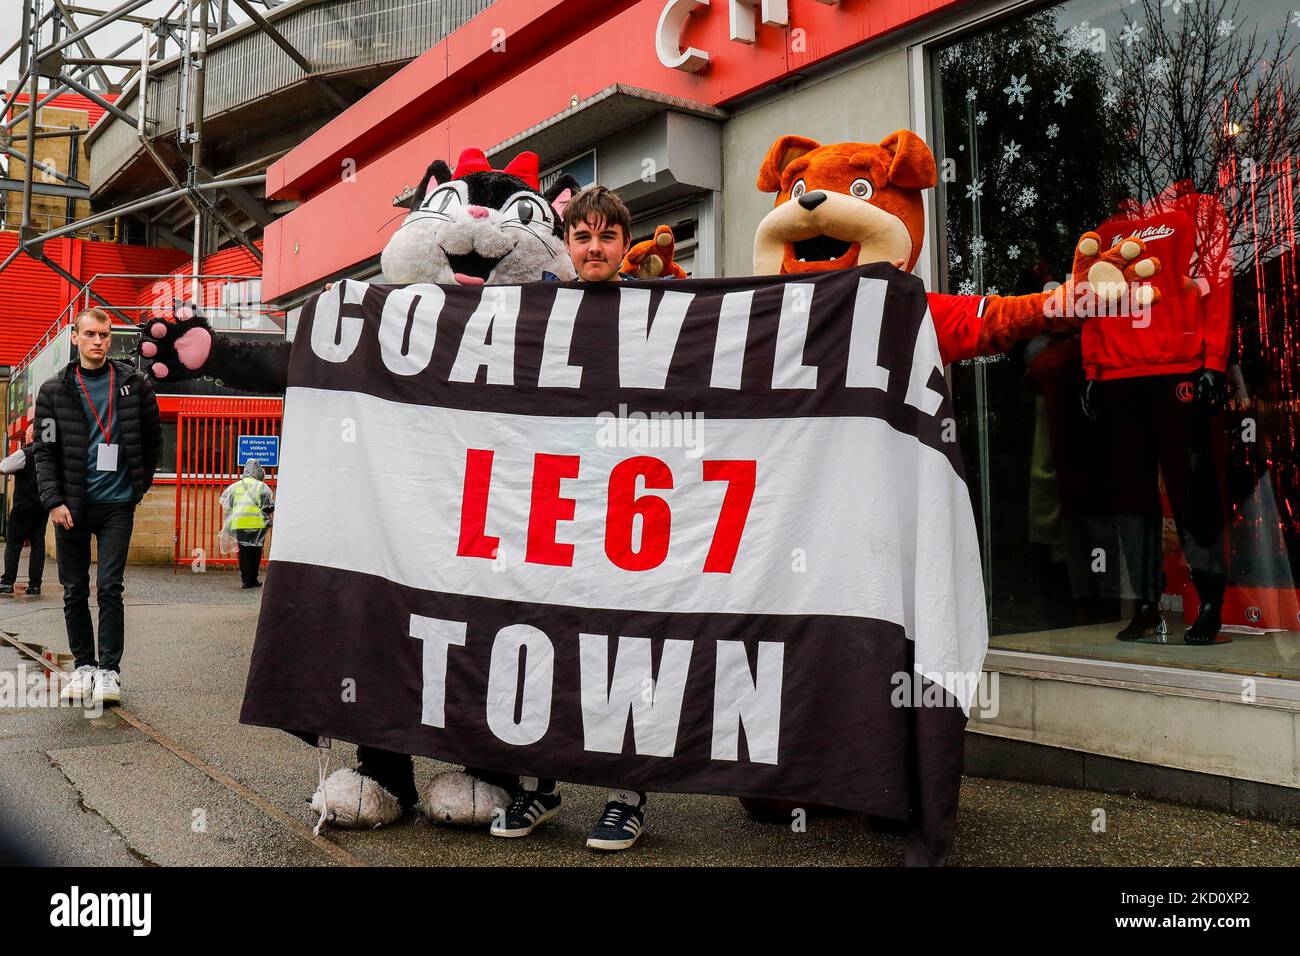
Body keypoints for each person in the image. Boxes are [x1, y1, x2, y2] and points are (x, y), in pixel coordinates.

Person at [490, 185, 650, 852]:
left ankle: (628, 796)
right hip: (549, 511)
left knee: (625, 647)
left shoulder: (659, 314)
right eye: (581, 236)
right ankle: (537, 787)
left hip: (627, 513)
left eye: (606, 237)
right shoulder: (532, 312)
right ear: (567, 243)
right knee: (540, 640)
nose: (593, 248)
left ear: (624, 244)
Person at [37, 308, 161, 707]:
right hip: (72, 505)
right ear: (75, 337)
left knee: (109, 588)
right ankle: (83, 666)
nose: (97, 341)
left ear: (111, 339)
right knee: (74, 590)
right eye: (89, 333)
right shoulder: (54, 390)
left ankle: (109, 672)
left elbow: (152, 440)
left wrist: (137, 489)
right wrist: (53, 500)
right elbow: (45, 450)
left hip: (116, 505)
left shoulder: (134, 384)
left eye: (104, 335)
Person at [0, 425, 48, 596]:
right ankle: (35, 585)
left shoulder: (24, 453)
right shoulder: (47, 453)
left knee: (14, 543)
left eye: (27, 433)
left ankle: (7, 581)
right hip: (42, 506)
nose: (25, 436)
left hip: (23, 507)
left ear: (31, 435)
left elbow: (4, 467)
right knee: (38, 545)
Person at [220, 459, 274, 588]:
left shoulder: (235, 486)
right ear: (259, 472)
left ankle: (245, 581)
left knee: (243, 552)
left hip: (240, 524)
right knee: (256, 551)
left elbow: (227, 504)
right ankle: (254, 578)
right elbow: (269, 506)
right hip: (257, 525)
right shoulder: (262, 487)